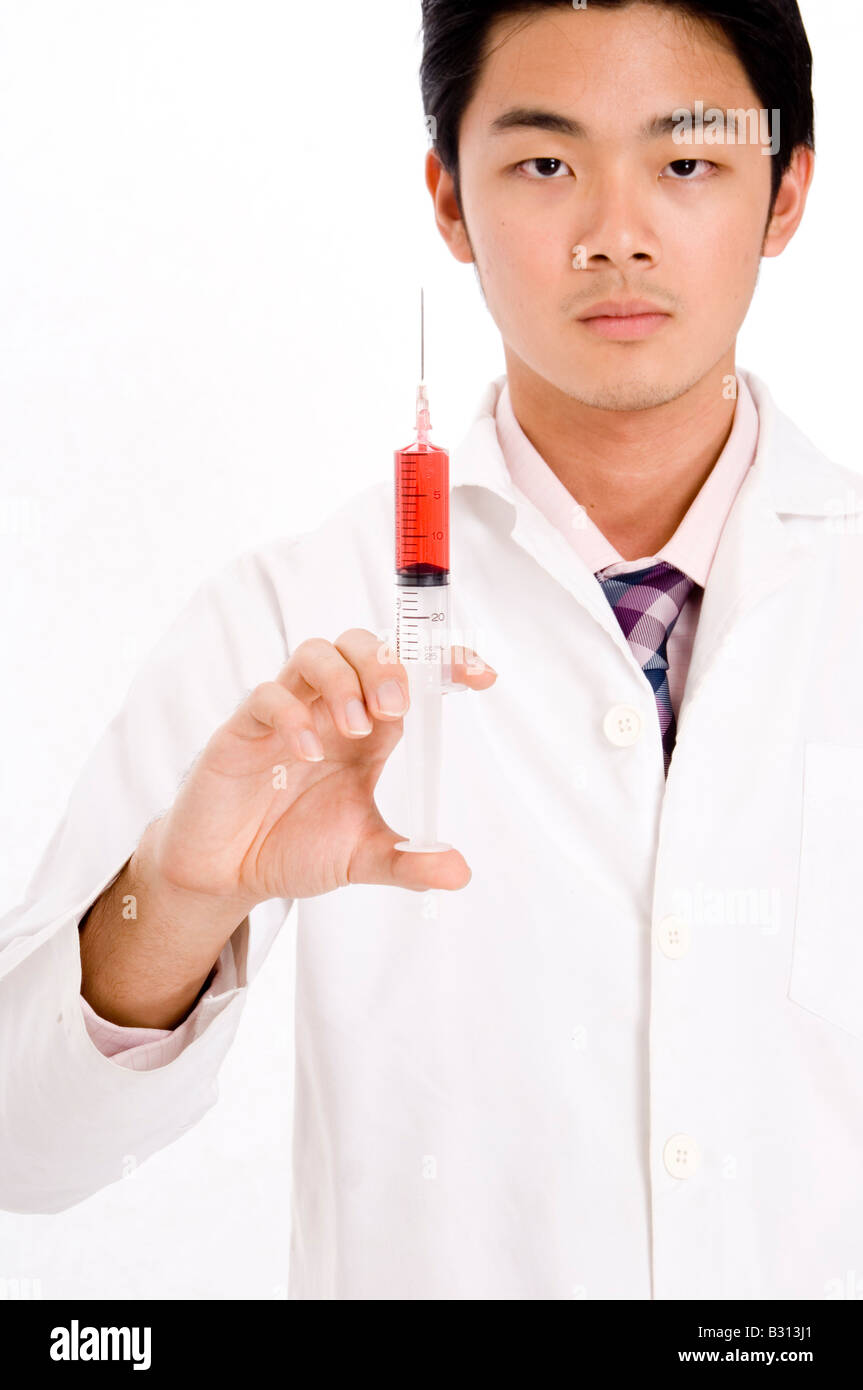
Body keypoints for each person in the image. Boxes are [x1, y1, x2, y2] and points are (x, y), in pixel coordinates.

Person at [2, 0, 860, 1300]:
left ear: (785, 188)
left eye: (686, 162)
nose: (615, 232)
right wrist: (173, 899)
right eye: (545, 163)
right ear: (449, 202)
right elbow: (24, 1145)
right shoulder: (292, 623)